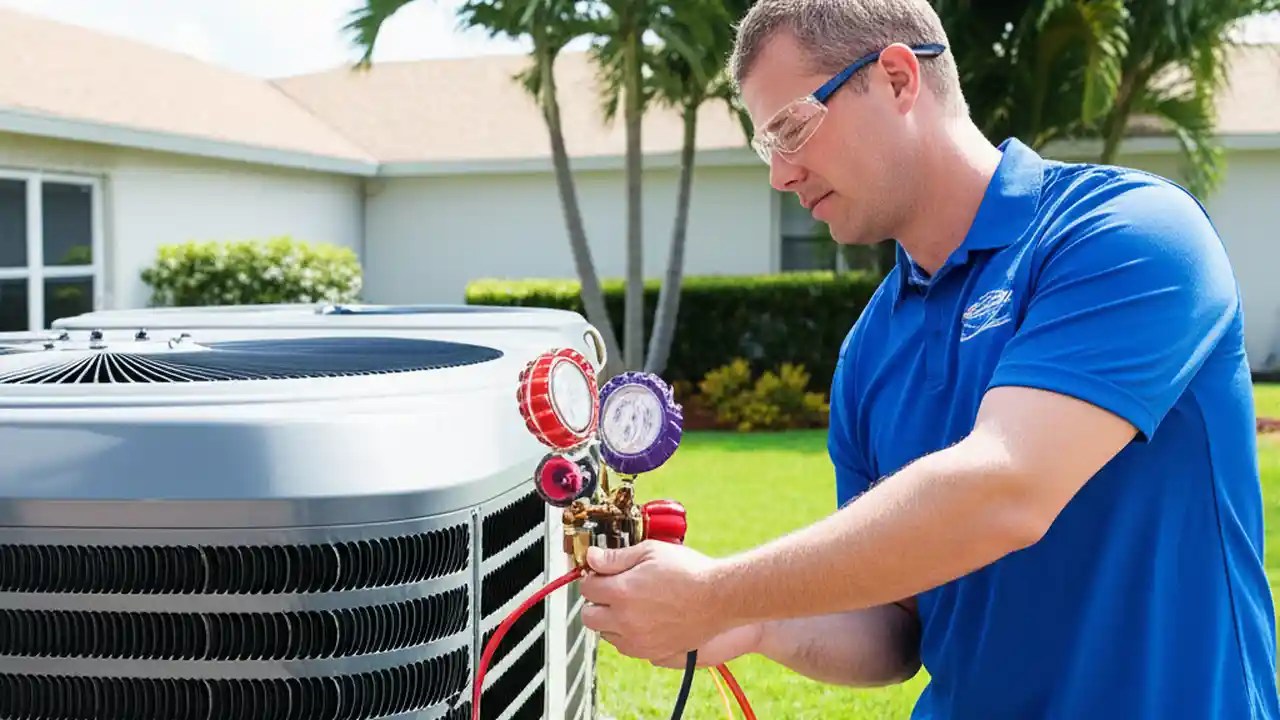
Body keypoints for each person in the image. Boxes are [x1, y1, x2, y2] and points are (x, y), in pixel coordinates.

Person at [576, 0, 1280, 718]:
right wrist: (747, 623)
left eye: (791, 128)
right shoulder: (869, 349)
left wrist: (718, 591)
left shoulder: (1125, 234)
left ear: (896, 78)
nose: (780, 175)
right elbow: (896, 626)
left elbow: (1008, 489)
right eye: (768, 146)